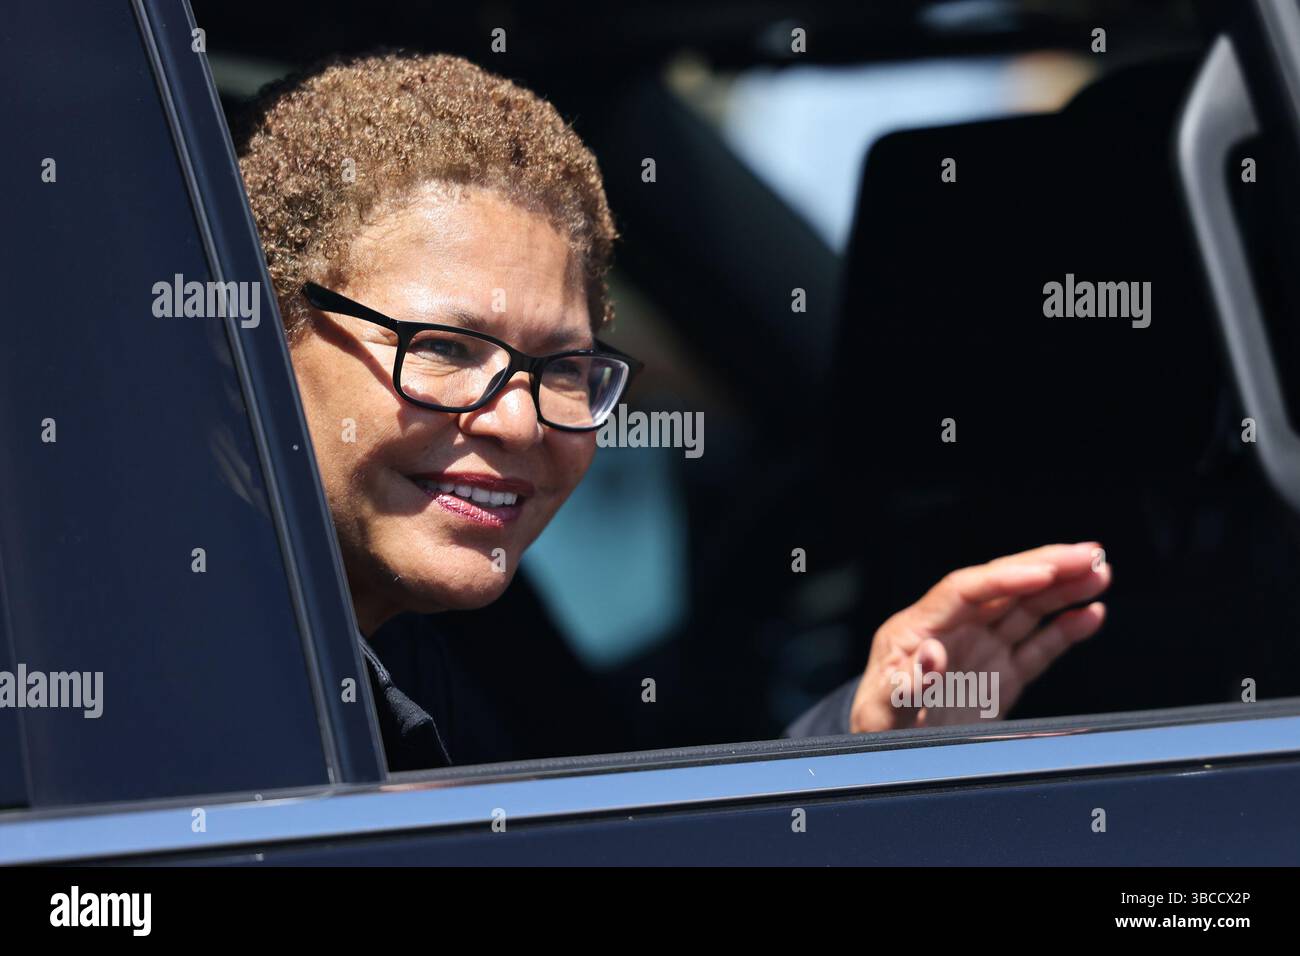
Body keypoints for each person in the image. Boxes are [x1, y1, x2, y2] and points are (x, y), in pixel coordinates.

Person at [236, 52, 1111, 770]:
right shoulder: (182, 700)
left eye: (565, 367)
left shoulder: (453, 639)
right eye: (445, 349)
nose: (518, 423)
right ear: (261, 338)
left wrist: (858, 739)